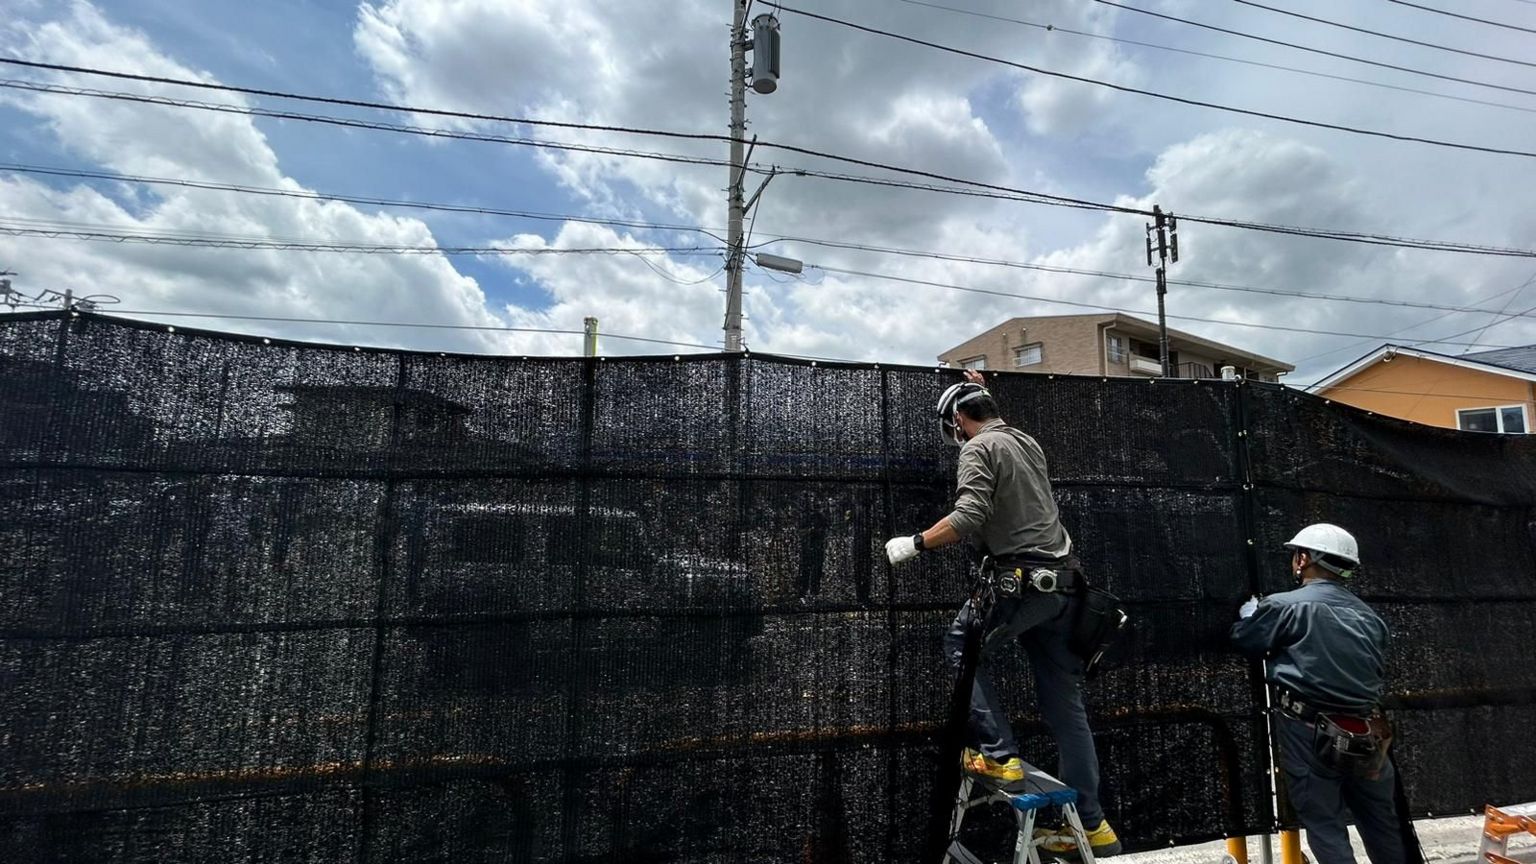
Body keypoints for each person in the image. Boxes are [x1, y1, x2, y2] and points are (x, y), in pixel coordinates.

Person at [885, 369, 1119, 858]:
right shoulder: (1026, 442)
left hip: (1019, 586)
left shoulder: (977, 449)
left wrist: (915, 543)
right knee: (1066, 710)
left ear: (956, 418)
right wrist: (981, 385)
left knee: (960, 643)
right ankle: (1094, 826)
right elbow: (998, 435)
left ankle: (999, 757)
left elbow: (970, 516)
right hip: (1063, 591)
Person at [1232, 524, 1404, 864]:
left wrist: (1250, 614)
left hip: (1309, 730)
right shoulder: (1371, 618)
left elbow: (1246, 639)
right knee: (1382, 824)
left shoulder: (1284, 606)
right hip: (1369, 733)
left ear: (1304, 558)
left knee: (1325, 825)